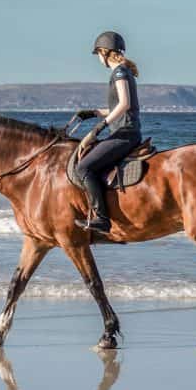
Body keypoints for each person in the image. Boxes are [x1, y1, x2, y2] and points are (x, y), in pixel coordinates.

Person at [72, 30, 143, 236]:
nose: (99, 59)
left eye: (98, 55)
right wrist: (93, 112)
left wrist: (97, 129)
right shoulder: (123, 71)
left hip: (124, 133)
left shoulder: (119, 72)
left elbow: (124, 104)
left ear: (104, 52)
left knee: (83, 168)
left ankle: (101, 218)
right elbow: (118, 107)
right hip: (124, 131)